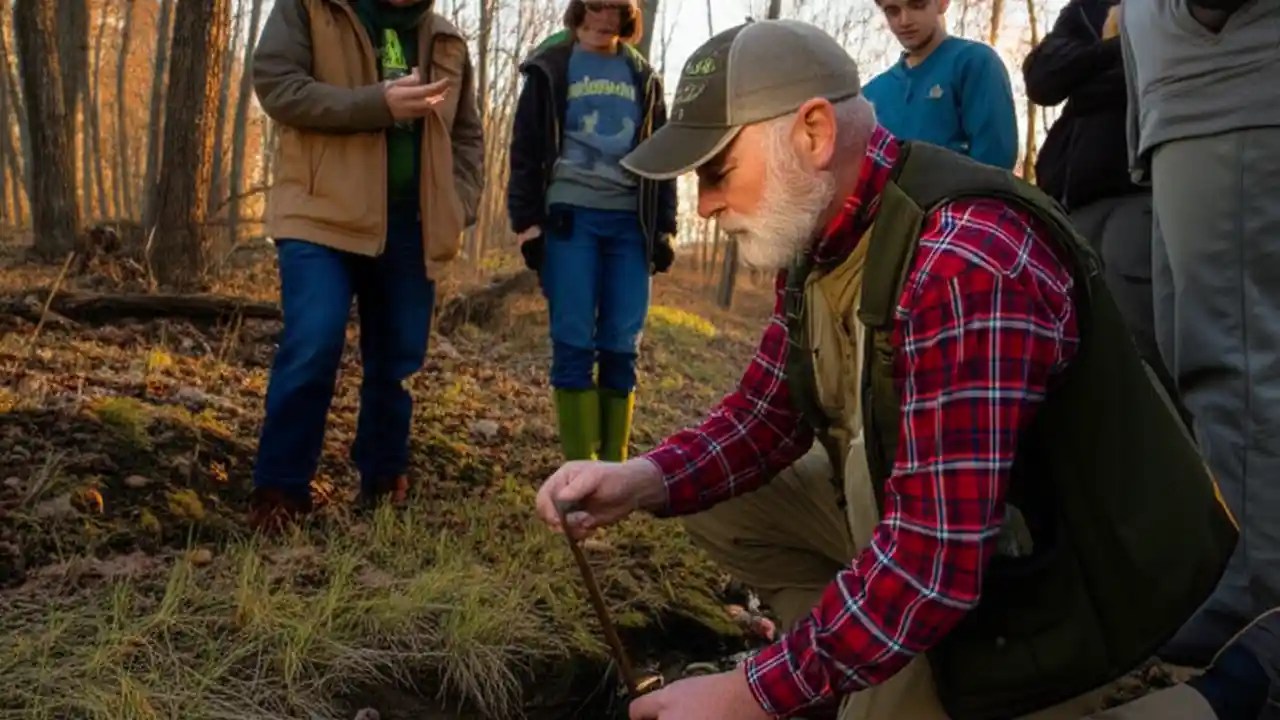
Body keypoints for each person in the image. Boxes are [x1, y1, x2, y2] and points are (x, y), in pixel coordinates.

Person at [534, 18, 1237, 720]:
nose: (707, 204)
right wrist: (640, 479)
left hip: (1072, 592)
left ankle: (1189, 699)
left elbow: (932, 556)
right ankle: (843, 673)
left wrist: (748, 694)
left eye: (718, 171)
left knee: (876, 472)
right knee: (724, 496)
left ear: (812, 134)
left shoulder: (965, 262)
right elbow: (762, 417)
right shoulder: (817, 236)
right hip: (950, 553)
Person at [248, 0, 484, 531]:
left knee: (398, 362)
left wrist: (457, 201)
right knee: (314, 340)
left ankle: (383, 480)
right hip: (318, 213)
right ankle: (280, 492)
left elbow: (468, 136)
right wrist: (375, 104)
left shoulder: (446, 39)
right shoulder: (310, 10)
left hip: (410, 224)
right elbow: (277, 86)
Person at [1120, 0, 1280, 668]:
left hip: (1231, 87)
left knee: (1234, 363)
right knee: (1198, 355)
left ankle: (1257, 608)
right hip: (1185, 103)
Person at [507, 0, 677, 464]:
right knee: (574, 338)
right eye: (597, 7)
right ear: (580, 9)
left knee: (622, 343)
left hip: (629, 224)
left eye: (616, 10)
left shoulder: (643, 75)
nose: (605, 19)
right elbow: (525, 148)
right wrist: (526, 223)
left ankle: (615, 468)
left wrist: (665, 227)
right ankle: (580, 468)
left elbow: (662, 156)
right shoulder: (551, 66)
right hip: (570, 219)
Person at [1022, 0, 1160, 371]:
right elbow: (1042, 78)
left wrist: (1083, 77)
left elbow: (1151, 72)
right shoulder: (1085, 9)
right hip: (1073, 204)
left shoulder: (1168, 9)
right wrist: (1109, 50)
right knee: (1076, 336)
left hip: (1137, 195)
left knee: (1137, 336)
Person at [862, 0, 1019, 170]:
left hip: (963, 194)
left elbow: (995, 162)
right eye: (893, 11)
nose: (904, 21)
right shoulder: (870, 94)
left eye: (917, 5)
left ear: (943, 3)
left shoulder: (975, 63)